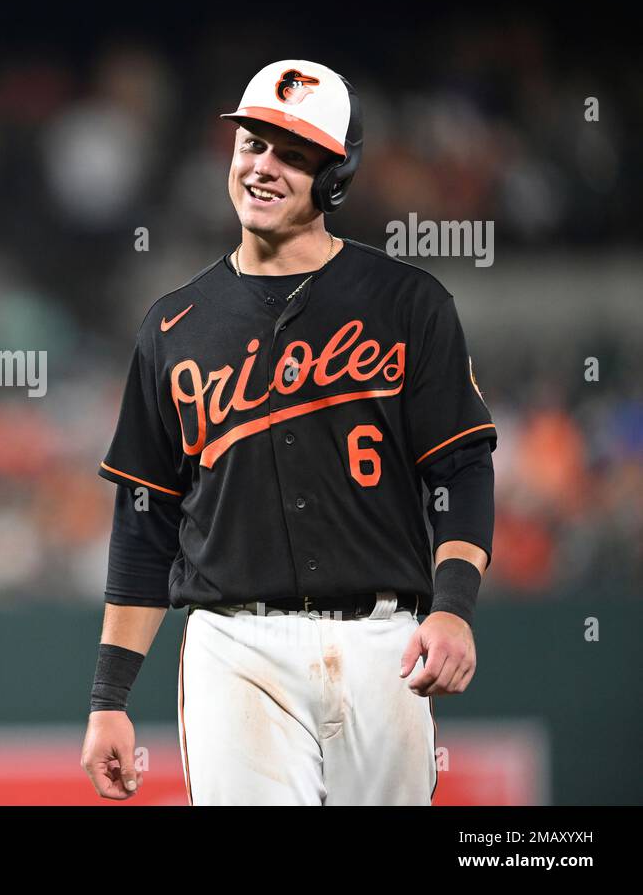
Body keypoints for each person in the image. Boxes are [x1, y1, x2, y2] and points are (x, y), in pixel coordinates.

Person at [80, 59, 496, 805]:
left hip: (384, 643)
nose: (263, 167)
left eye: (293, 154)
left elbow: (460, 469)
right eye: (252, 144)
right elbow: (146, 521)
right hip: (236, 645)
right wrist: (110, 697)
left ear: (335, 176)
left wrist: (454, 607)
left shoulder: (408, 304)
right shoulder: (175, 325)